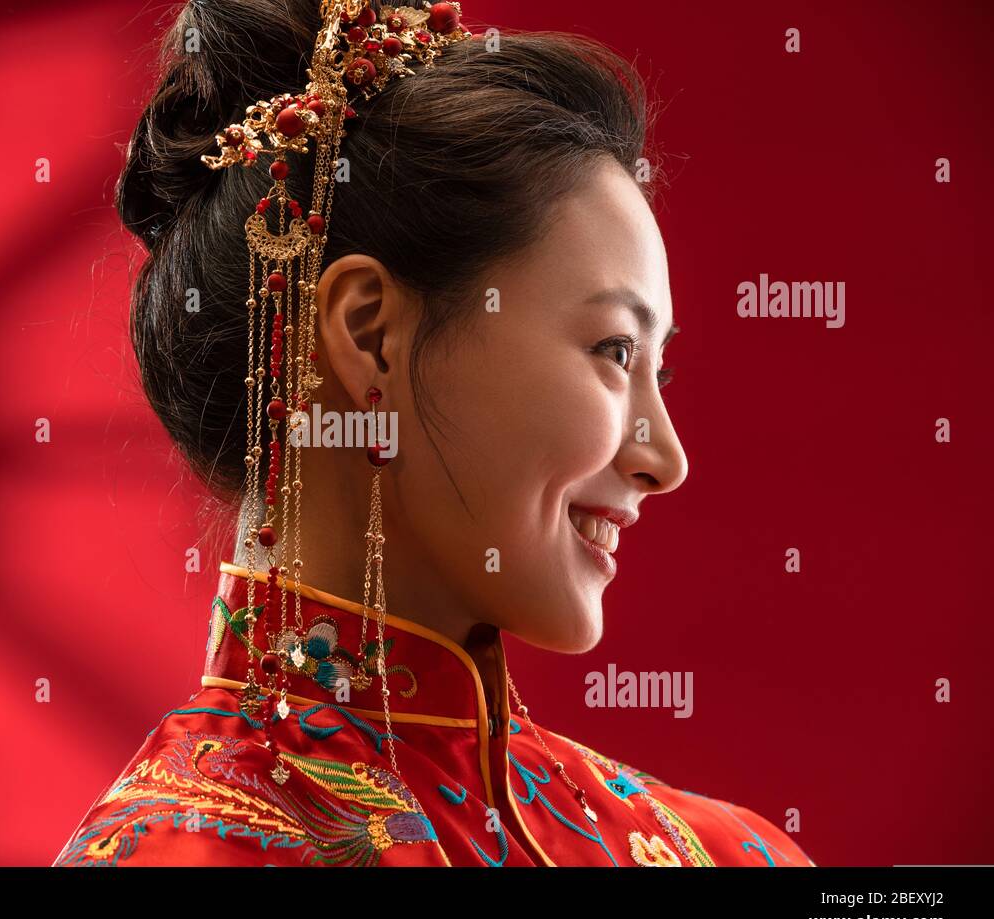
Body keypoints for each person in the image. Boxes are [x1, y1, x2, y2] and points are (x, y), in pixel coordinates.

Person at [54, 0, 815, 867]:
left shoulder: (730, 854)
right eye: (613, 350)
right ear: (371, 332)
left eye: (658, 370)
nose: (665, 459)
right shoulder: (189, 848)